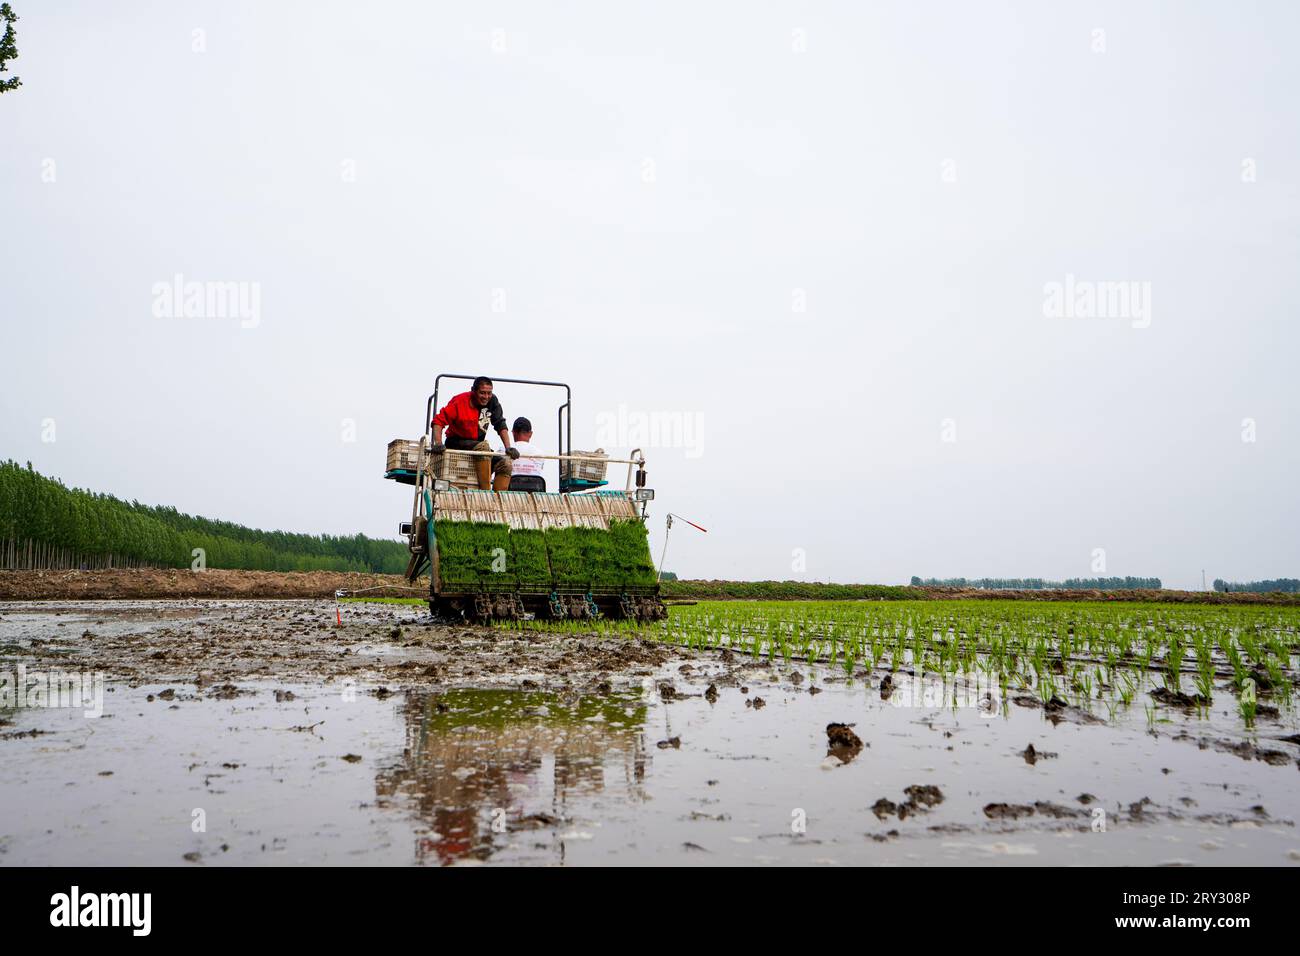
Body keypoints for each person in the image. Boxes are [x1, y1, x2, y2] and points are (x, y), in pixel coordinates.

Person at [430, 376, 520, 491]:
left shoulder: (492, 402)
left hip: (478, 447)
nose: (486, 397)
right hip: (456, 442)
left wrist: (508, 447)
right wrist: (438, 443)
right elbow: (438, 421)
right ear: (473, 390)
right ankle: (485, 493)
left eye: (489, 393)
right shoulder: (460, 401)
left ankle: (497, 502)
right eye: (482, 393)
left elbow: (500, 424)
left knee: (505, 464)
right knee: (483, 446)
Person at [507, 416, 546, 491]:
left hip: (511, 493)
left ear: (513, 433)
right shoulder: (540, 453)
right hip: (535, 492)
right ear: (530, 434)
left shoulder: (503, 450)